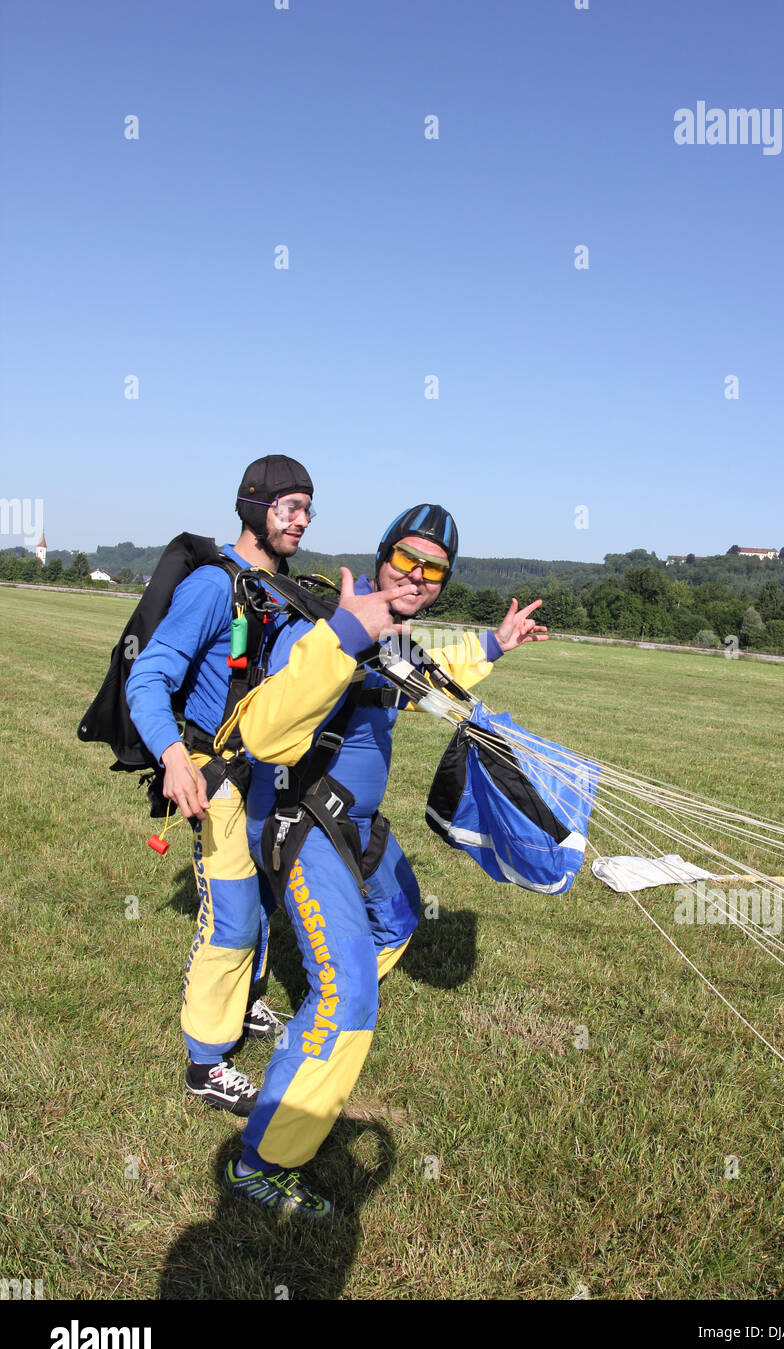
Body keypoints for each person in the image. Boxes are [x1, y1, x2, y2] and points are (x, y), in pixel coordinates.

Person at [213, 503, 548, 1217]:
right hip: (305, 828)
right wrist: (344, 634)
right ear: (382, 554)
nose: (418, 577)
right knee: (349, 996)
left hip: (355, 826)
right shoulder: (323, 623)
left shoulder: (392, 638)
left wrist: (495, 643)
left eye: (434, 570)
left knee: (397, 920)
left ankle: (325, 1011)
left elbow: (430, 679)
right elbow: (265, 733)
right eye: (407, 559)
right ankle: (261, 1163)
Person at [125, 454, 318, 1114]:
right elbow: (148, 678)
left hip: (273, 782)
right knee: (232, 918)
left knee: (265, 902)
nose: (302, 521)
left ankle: (249, 1000)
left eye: (308, 509)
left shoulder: (286, 592)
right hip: (222, 780)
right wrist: (175, 757)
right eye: (291, 508)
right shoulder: (214, 587)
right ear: (255, 509)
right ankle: (207, 1062)